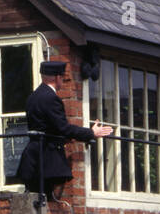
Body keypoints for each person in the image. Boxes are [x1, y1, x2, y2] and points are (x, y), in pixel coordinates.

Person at [13, 60, 113, 200]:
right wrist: (91, 133)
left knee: (39, 198)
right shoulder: (51, 98)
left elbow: (48, 126)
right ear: (57, 78)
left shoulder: (32, 97)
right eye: (62, 78)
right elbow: (63, 128)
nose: (62, 81)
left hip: (33, 156)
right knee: (45, 201)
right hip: (47, 158)